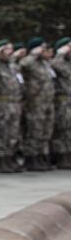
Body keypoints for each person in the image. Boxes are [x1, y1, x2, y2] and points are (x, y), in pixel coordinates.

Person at [18, 37, 55, 171]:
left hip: (47, 101)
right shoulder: (30, 62)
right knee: (34, 130)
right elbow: (23, 64)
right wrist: (34, 53)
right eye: (42, 48)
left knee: (45, 130)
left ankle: (41, 156)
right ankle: (31, 157)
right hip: (35, 101)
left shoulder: (45, 64)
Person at [0, 39, 22, 173]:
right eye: (6, 49)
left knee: (12, 132)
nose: (10, 52)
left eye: (11, 49)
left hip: (14, 102)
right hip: (2, 102)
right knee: (1, 131)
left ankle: (8, 157)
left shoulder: (11, 65)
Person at [52, 38, 71, 169]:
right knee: (62, 129)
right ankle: (61, 157)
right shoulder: (58, 62)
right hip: (62, 101)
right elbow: (57, 65)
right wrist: (60, 53)